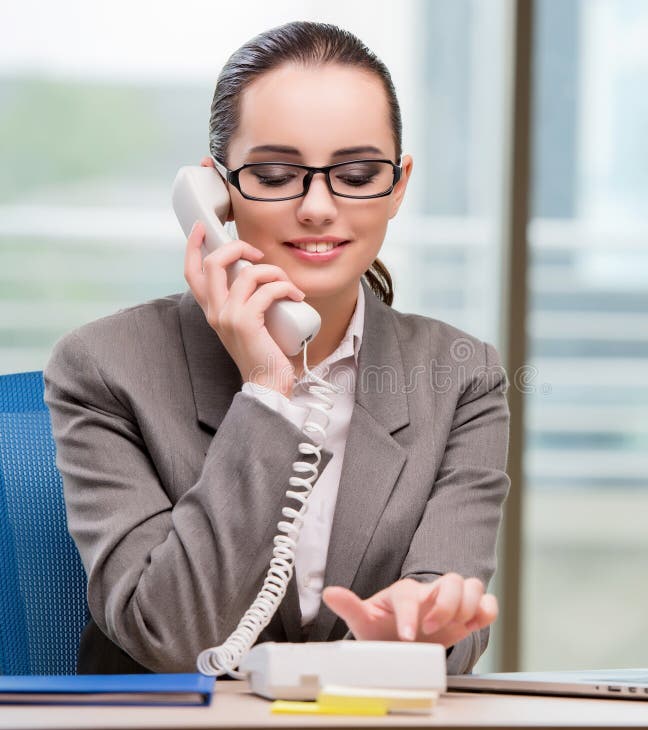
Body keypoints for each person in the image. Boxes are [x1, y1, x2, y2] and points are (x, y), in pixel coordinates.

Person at [44, 20, 510, 676]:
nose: (319, 207)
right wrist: (267, 391)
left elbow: (447, 617)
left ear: (399, 184)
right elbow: (171, 638)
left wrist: (419, 630)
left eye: (355, 172)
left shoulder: (462, 378)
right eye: (274, 172)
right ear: (216, 193)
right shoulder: (104, 367)